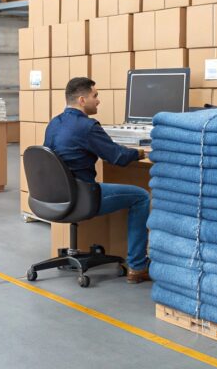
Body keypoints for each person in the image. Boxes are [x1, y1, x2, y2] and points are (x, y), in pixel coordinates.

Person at [44, 77, 151, 284]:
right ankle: (138, 266)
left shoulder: (54, 123)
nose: (98, 101)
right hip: (82, 196)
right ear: (82, 100)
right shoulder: (87, 126)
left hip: (56, 195)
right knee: (141, 197)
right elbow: (117, 157)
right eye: (95, 96)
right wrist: (140, 153)